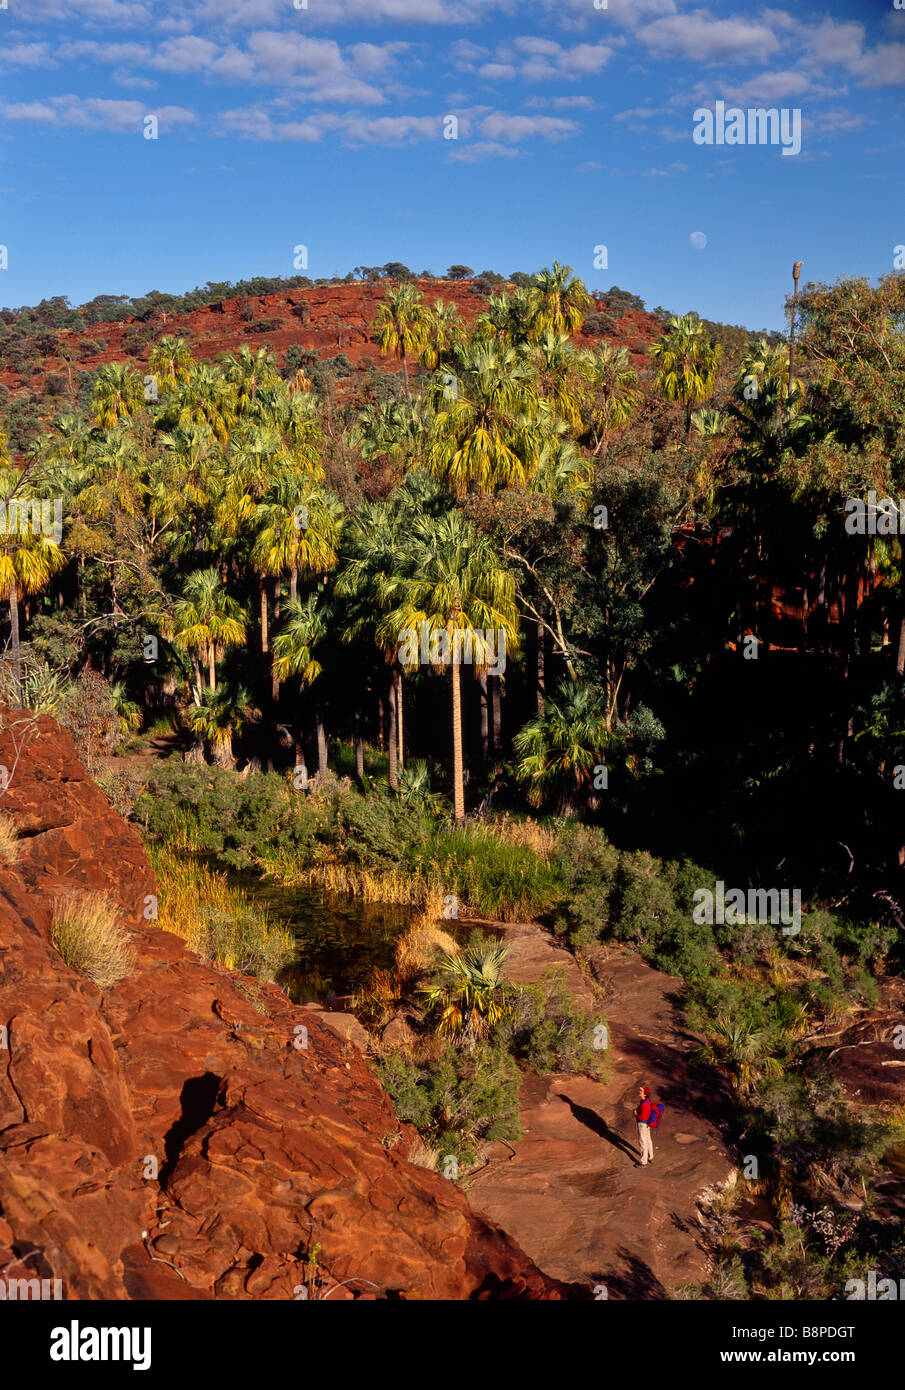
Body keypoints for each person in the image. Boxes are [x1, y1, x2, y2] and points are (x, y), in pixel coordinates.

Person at [634, 1083, 654, 1167]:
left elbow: (642, 1117)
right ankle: (651, 1157)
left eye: (641, 1091)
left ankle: (643, 1162)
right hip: (647, 1124)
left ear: (645, 1094)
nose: (639, 1092)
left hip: (642, 1124)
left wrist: (636, 1114)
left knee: (643, 1142)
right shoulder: (647, 1101)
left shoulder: (645, 1103)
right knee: (648, 1140)